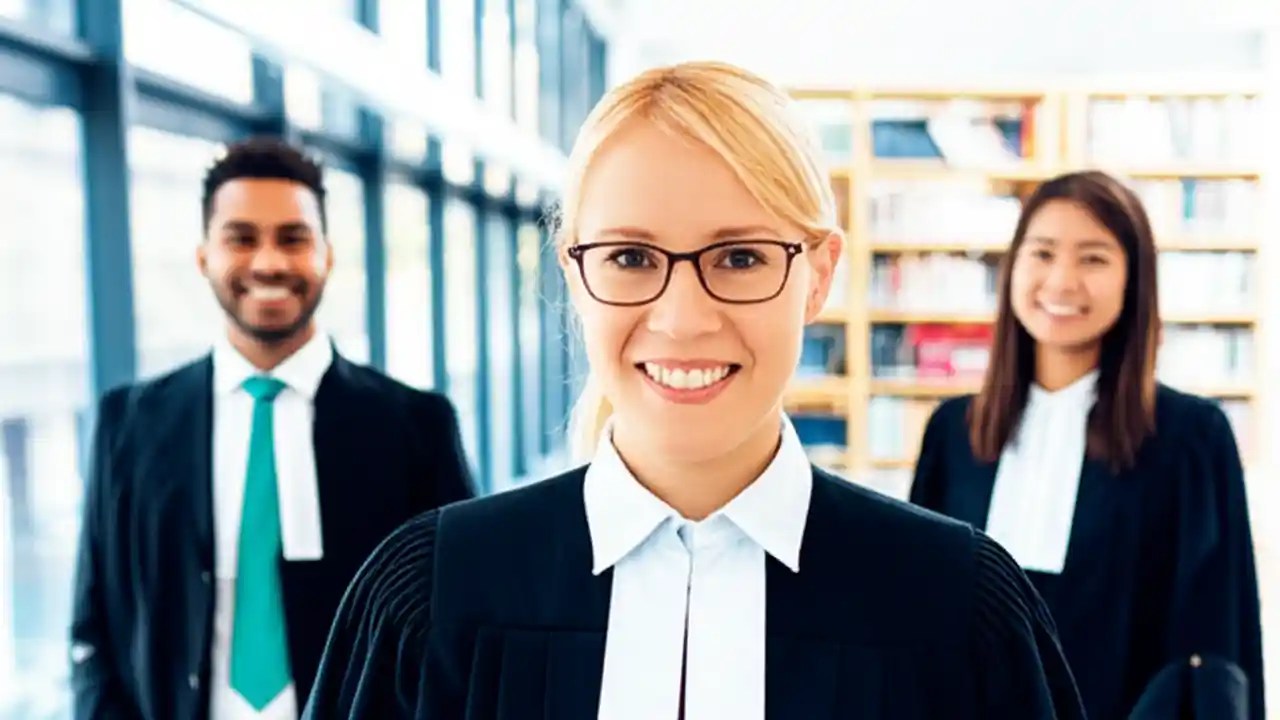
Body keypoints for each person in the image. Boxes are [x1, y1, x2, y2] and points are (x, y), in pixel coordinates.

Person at [301, 61, 1085, 720]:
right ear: (574, 273)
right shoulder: (429, 600)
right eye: (631, 258)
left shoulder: (959, 609)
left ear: (817, 277)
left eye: (740, 258)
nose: (681, 320)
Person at [69, 137, 475, 720]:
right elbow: (95, 628)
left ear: (327, 256)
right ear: (204, 256)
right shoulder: (128, 424)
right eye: (241, 238)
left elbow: (460, 624)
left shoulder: (415, 426)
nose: (269, 262)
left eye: (293, 238)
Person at [909, 170, 1265, 720]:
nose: (1062, 281)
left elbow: (1220, 640)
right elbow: (919, 621)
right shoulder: (954, 432)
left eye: (1093, 258)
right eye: (1043, 253)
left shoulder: (1192, 436)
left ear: (1133, 280)